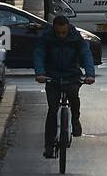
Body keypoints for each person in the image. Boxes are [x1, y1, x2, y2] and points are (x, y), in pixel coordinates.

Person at [33, 15, 96, 158]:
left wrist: (90, 74)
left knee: (74, 95)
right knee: (52, 110)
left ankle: (75, 119)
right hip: (53, 76)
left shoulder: (76, 38)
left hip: (71, 74)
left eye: (64, 32)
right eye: (58, 33)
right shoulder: (47, 38)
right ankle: (49, 145)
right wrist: (40, 73)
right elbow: (39, 54)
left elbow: (86, 54)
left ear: (68, 28)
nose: (61, 36)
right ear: (54, 29)